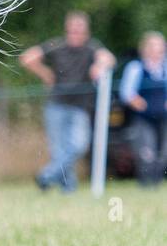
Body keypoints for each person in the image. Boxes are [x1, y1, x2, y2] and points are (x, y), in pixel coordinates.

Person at [19, 11, 116, 192]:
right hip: (56, 105)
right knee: (59, 150)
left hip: (80, 107)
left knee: (79, 145)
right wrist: (45, 73)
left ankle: (46, 175)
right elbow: (27, 58)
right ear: (67, 28)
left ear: (86, 30)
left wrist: (99, 65)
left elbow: (109, 58)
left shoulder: (92, 47)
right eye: (73, 28)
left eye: (80, 29)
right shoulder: (57, 45)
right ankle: (68, 188)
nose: (76, 32)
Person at [118, 30, 167, 187]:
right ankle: (145, 185)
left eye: (159, 46)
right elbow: (126, 93)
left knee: (163, 153)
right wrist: (141, 104)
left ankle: (157, 183)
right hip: (143, 118)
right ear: (145, 48)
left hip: (164, 118)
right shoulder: (136, 67)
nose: (156, 50)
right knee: (147, 152)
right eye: (152, 46)